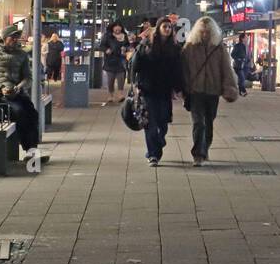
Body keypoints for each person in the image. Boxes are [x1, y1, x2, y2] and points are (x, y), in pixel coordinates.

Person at [180, 16, 239, 166]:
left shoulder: (219, 48)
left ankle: (205, 148)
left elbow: (226, 69)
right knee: (199, 122)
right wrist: (184, 87)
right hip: (195, 91)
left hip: (213, 91)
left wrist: (229, 88)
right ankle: (198, 154)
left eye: (207, 32)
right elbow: (183, 70)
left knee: (209, 122)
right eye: (202, 31)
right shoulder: (189, 48)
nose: (204, 34)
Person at [0, 25, 44, 157]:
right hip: (0, 95)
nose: (15, 40)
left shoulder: (22, 55)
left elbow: (28, 77)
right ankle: (28, 149)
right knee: (19, 112)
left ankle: (32, 150)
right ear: (4, 38)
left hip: (18, 93)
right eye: (12, 37)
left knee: (32, 114)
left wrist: (20, 87)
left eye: (17, 37)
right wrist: (0, 88)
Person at [131, 17, 183, 167]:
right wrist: (135, 83)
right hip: (148, 88)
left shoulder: (174, 47)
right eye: (165, 26)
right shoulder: (147, 44)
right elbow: (136, 63)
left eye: (169, 27)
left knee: (163, 123)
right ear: (158, 28)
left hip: (165, 90)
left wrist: (179, 88)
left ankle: (158, 144)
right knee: (150, 123)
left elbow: (178, 70)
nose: (167, 29)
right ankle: (153, 154)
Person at [98, 22, 127, 105]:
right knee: (111, 79)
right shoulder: (107, 36)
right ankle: (111, 95)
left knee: (121, 78)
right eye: (116, 28)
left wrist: (126, 48)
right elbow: (101, 46)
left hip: (121, 60)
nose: (118, 29)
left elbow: (128, 45)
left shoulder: (124, 36)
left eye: (119, 27)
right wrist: (106, 50)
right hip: (110, 60)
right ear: (112, 28)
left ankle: (120, 95)